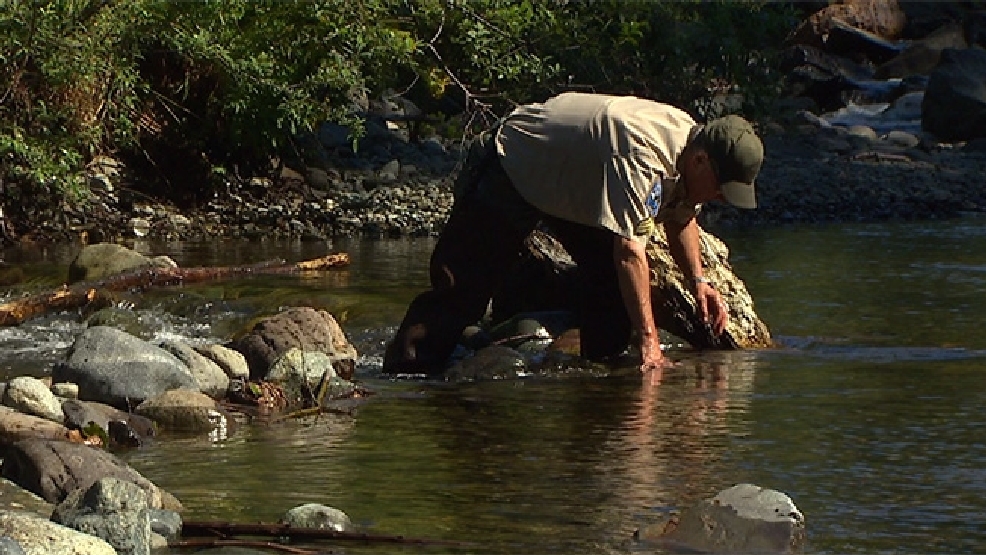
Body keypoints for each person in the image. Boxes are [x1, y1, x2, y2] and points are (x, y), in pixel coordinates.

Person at [383, 92, 764, 375]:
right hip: (516, 163)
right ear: (700, 161)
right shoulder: (641, 153)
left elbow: (681, 219)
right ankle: (406, 375)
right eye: (719, 189)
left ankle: (601, 377)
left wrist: (698, 282)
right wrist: (651, 343)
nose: (719, 199)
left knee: (612, 287)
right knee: (461, 288)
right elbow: (630, 251)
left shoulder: (693, 149)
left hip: (577, 184)